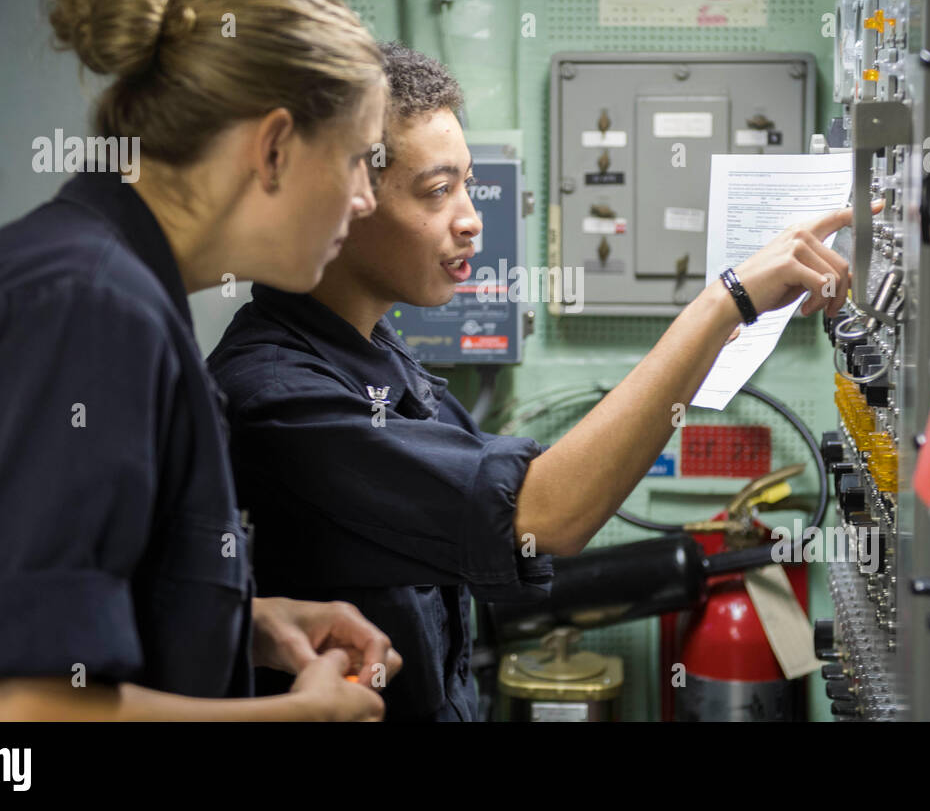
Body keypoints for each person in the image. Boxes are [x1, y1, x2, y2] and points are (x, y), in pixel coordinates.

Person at [207, 42, 857, 721]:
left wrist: (713, 328)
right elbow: (544, 514)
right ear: (343, 198)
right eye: (436, 191)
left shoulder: (373, 355)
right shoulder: (277, 399)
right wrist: (723, 301)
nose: (470, 218)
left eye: (467, 184)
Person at [0, 0, 403, 720]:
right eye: (360, 159)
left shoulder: (101, 286)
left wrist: (243, 623)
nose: (365, 199)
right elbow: (12, 721)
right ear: (274, 148)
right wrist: (301, 717)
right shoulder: (86, 312)